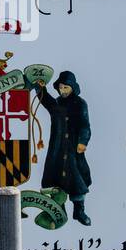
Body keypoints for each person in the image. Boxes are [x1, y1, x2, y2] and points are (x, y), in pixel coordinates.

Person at [33, 70, 93, 225]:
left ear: (72, 87)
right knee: (56, 180)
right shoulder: (57, 103)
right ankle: (59, 209)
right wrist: (40, 88)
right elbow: (46, 100)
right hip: (58, 149)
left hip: (74, 150)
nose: (63, 91)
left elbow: (85, 126)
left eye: (66, 87)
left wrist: (83, 142)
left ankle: (79, 211)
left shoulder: (80, 104)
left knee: (77, 180)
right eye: (60, 88)